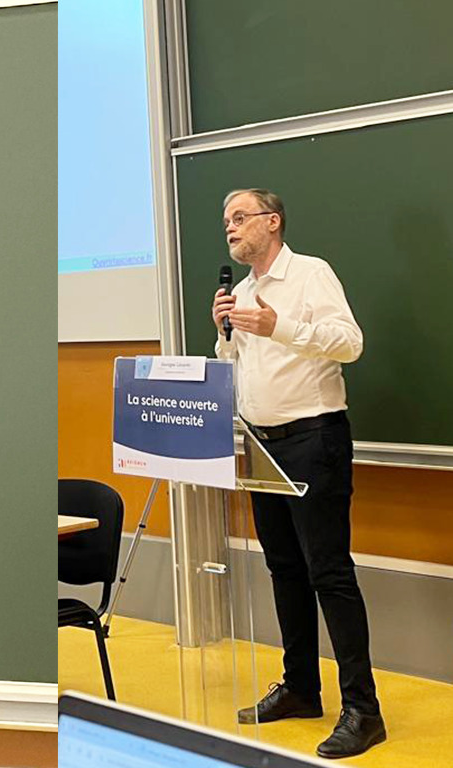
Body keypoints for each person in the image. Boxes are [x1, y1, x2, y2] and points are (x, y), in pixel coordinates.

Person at [212, 189, 383, 758]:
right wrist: (226, 335)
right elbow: (235, 369)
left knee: (328, 572)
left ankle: (363, 709)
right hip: (261, 443)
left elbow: (351, 344)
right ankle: (302, 688)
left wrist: (278, 325)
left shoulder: (311, 275)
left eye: (240, 218)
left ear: (272, 222)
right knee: (284, 569)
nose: (231, 229)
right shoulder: (242, 292)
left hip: (315, 439)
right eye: (226, 222)